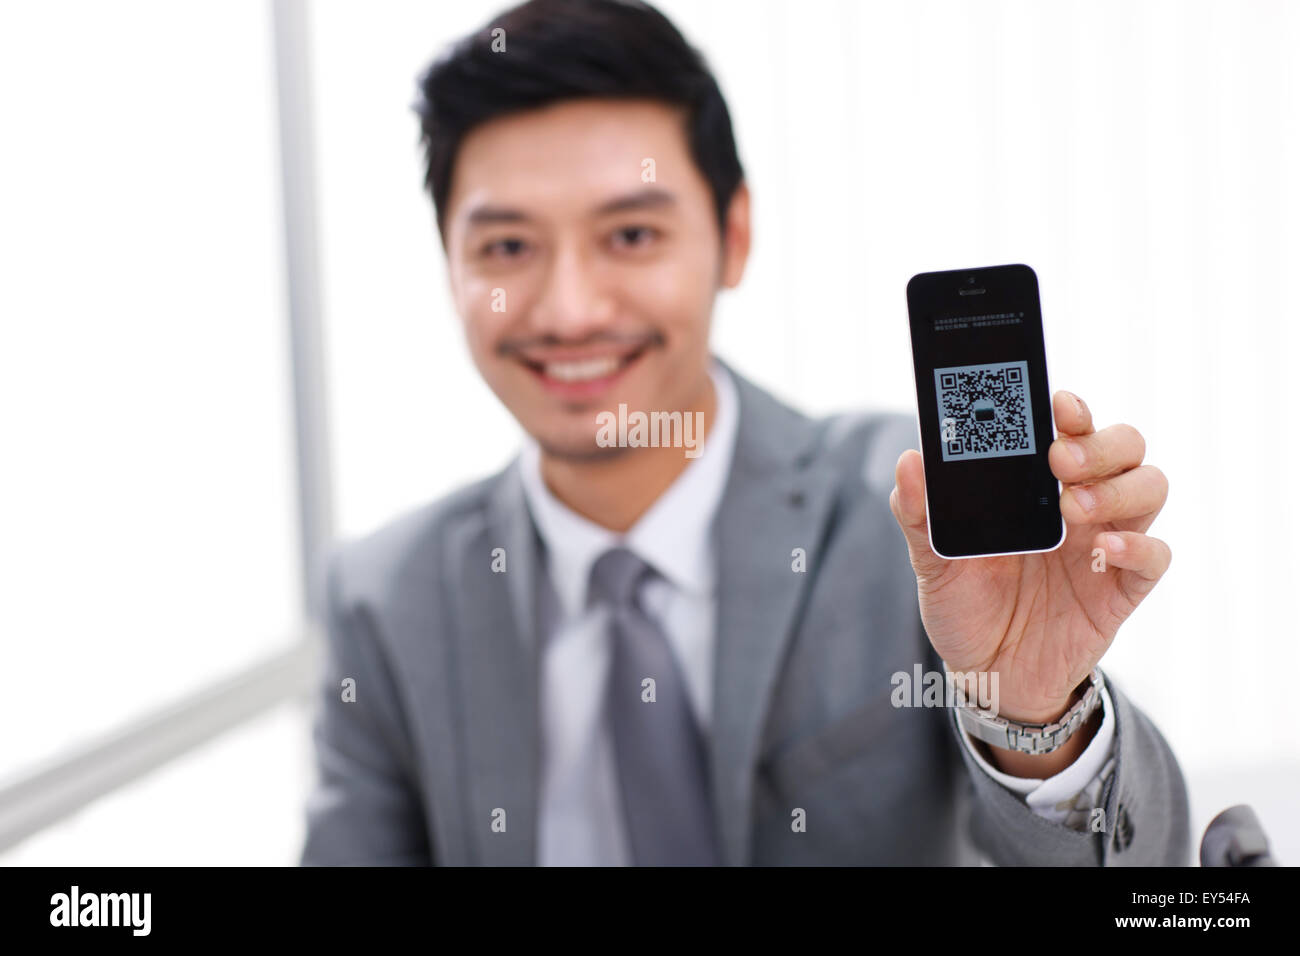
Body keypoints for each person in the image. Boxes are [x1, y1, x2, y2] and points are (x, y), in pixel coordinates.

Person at [299, 0, 1189, 866]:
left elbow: (1139, 868)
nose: (568, 310)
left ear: (734, 236)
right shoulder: (384, 600)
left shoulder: (917, 523)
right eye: (507, 248)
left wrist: (1035, 714)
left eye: (632, 234)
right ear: (449, 263)